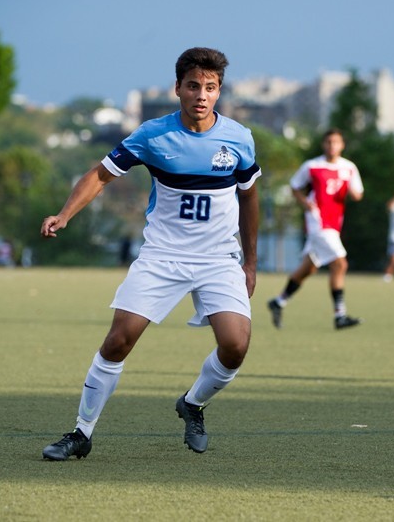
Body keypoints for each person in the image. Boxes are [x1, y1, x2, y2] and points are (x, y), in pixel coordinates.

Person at [40, 47, 261, 460]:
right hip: (163, 255)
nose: (201, 95)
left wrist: (250, 262)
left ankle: (192, 403)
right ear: (177, 88)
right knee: (118, 340)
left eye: (210, 87)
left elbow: (249, 197)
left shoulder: (239, 138)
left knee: (235, 346)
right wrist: (65, 214)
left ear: (219, 91)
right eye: (193, 86)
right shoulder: (153, 135)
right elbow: (100, 175)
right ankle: (81, 433)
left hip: (218, 260)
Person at [267, 129, 364, 330]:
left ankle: (278, 302)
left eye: (336, 142)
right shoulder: (312, 166)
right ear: (323, 144)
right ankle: (340, 315)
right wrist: (305, 203)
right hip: (318, 221)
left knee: (309, 268)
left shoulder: (349, 167)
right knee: (340, 263)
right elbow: (295, 186)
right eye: (328, 142)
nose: (332, 146)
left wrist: (354, 194)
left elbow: (358, 193)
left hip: (335, 223)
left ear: (342, 145)